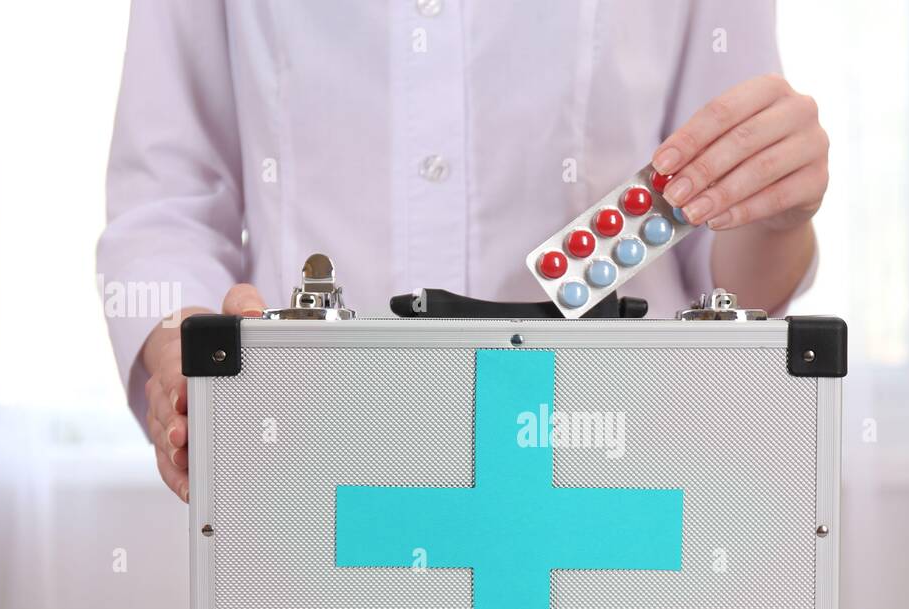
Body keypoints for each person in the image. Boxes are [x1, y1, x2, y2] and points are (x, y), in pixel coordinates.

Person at [98, 0, 829, 501]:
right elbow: (167, 199)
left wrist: (775, 213)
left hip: (610, 467)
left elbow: (730, 288)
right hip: (307, 461)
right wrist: (179, 361)